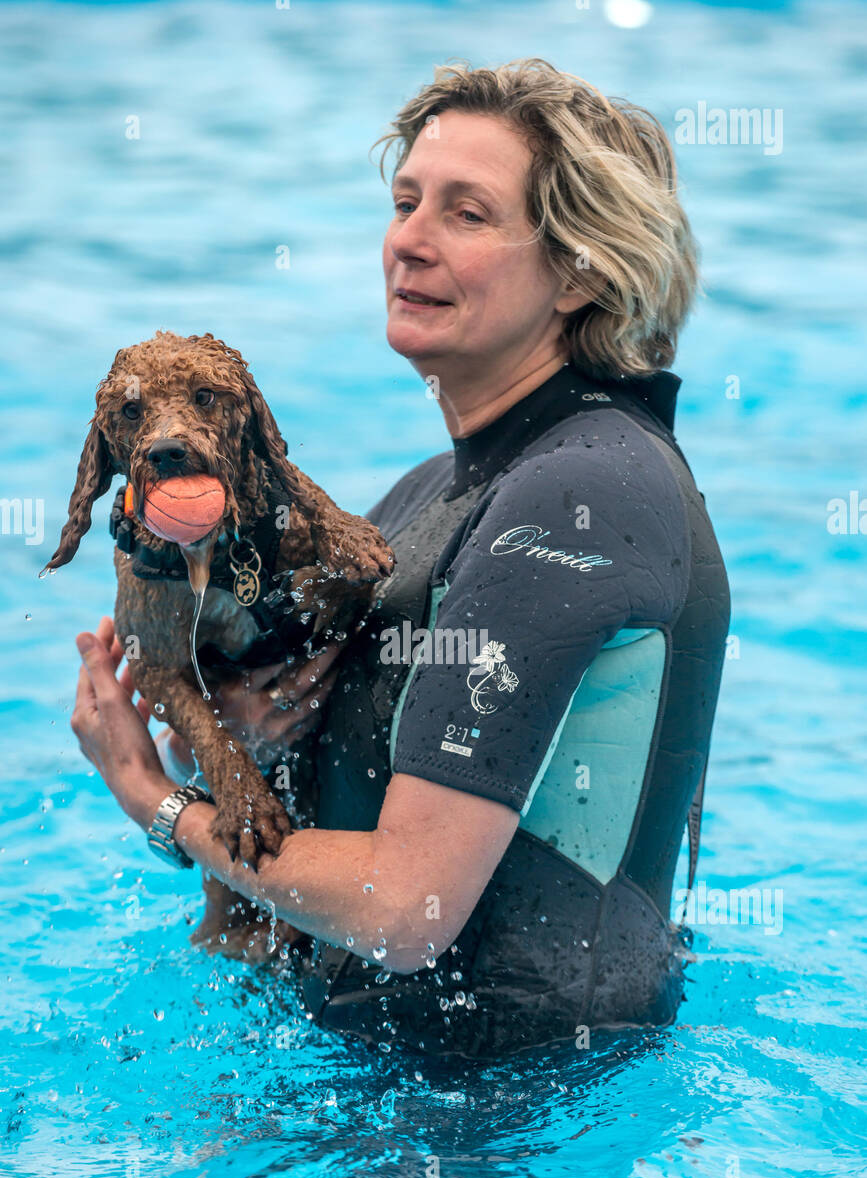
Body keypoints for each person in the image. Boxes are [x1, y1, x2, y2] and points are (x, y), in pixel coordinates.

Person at [71, 60, 730, 1060]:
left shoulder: (584, 495)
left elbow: (408, 906)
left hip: (507, 1109)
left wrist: (154, 798)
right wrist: (244, 715)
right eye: (406, 202)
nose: (408, 241)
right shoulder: (432, 495)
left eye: (468, 215)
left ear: (582, 271)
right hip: (367, 1066)